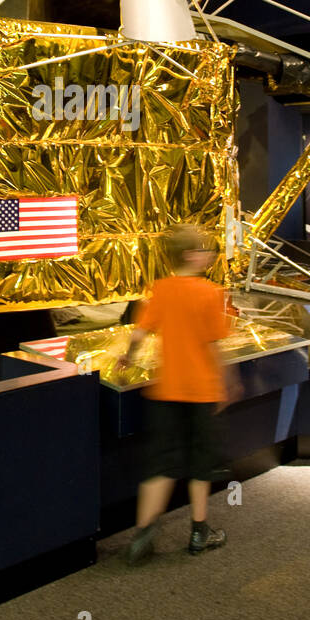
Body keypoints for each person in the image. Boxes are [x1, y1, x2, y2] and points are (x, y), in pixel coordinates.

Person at [118, 224, 241, 563]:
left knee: (161, 459)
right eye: (204, 250)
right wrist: (229, 383)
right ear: (190, 255)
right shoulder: (210, 292)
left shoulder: (160, 289)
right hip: (201, 391)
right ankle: (199, 531)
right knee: (200, 461)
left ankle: (144, 530)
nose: (209, 256)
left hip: (166, 389)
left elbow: (140, 332)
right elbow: (215, 346)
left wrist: (128, 357)